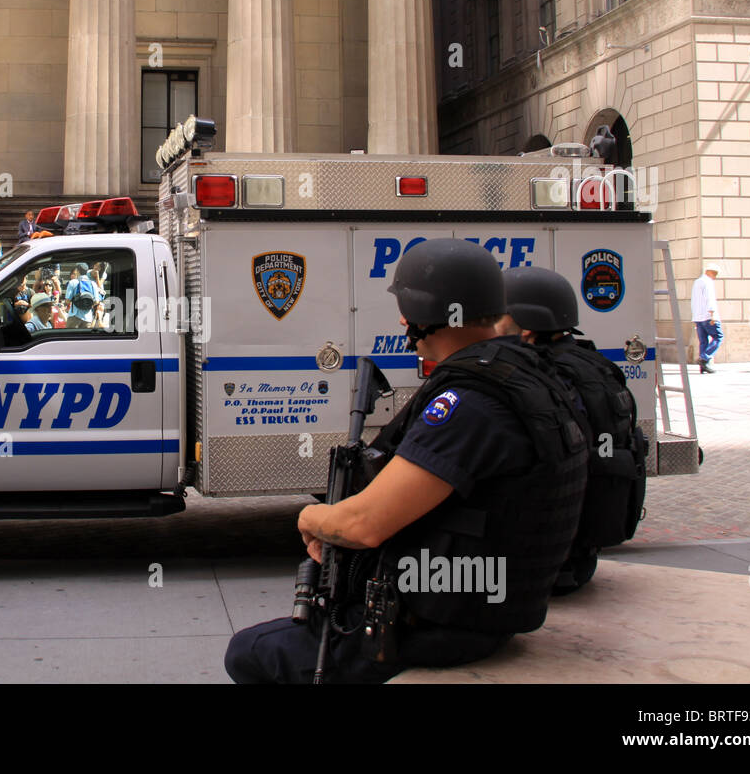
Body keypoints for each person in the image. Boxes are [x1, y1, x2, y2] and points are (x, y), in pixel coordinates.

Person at [224, 239, 588, 684]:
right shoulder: (525, 372)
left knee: (249, 652)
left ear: (430, 315)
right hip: (488, 607)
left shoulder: (468, 402)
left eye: (407, 307)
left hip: (442, 625)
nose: (401, 320)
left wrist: (311, 516)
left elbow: (364, 524)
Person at [497, 266, 646, 594]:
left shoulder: (544, 378)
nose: (492, 327)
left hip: (538, 569)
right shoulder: (592, 364)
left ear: (526, 329)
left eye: (499, 317)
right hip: (578, 557)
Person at [691, 262, 722, 374]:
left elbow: (694, 300)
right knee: (718, 337)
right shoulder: (707, 282)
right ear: (710, 272)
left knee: (703, 341)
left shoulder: (697, 282)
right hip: (708, 316)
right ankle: (704, 358)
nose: (715, 277)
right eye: (715, 274)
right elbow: (710, 299)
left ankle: (704, 366)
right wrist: (712, 314)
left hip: (698, 317)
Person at [63, 262, 101, 329]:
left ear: (77, 271)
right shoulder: (93, 284)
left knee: (70, 338)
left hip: (74, 316)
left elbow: (67, 301)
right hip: (88, 318)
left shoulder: (73, 282)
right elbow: (97, 302)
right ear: (87, 271)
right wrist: (87, 305)